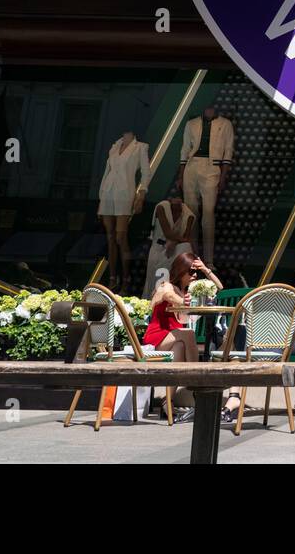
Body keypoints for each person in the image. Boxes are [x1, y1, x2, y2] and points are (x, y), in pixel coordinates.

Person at [144, 253, 223, 423]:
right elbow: (168, 296)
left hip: (172, 339)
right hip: (156, 338)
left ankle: (167, 403)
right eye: (191, 272)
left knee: (179, 348)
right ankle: (196, 384)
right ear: (180, 271)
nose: (194, 276)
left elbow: (219, 287)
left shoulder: (188, 289)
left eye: (196, 272)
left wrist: (205, 269)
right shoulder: (167, 286)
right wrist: (184, 302)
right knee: (189, 334)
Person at [177, 105, 234, 266]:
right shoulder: (192, 123)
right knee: (191, 213)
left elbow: (228, 150)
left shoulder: (226, 124)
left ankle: (209, 260)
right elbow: (185, 149)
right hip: (192, 165)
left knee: (208, 214)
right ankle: (192, 257)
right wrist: (181, 175)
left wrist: (223, 177)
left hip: (212, 167)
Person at [97, 131, 150, 293]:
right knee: (111, 237)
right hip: (108, 193)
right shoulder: (114, 146)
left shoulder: (140, 147)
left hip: (125, 193)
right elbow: (107, 171)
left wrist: (141, 194)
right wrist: (101, 197)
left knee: (121, 237)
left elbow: (146, 172)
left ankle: (126, 279)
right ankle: (113, 279)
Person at [144, 193, 196, 298]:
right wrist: (174, 240)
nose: (177, 200)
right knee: (154, 283)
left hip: (175, 250)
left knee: (186, 247)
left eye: (179, 198)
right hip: (159, 247)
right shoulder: (161, 207)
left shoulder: (189, 215)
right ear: (170, 199)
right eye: (174, 198)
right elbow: (167, 233)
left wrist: (175, 242)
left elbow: (186, 238)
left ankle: (177, 296)